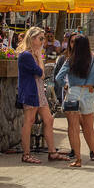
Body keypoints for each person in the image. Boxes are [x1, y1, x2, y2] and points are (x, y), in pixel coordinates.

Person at [56, 34, 94, 168]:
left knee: (73, 128)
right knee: (89, 129)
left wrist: (66, 85)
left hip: (73, 93)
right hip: (88, 93)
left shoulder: (70, 60)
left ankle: (78, 160)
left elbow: (58, 77)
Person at [17, 27, 64, 163]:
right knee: (29, 121)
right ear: (32, 39)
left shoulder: (34, 54)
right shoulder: (26, 55)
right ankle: (26, 154)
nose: (43, 41)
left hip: (38, 92)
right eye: (41, 38)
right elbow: (41, 74)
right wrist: (39, 57)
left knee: (48, 120)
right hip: (31, 92)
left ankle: (52, 152)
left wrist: (38, 57)